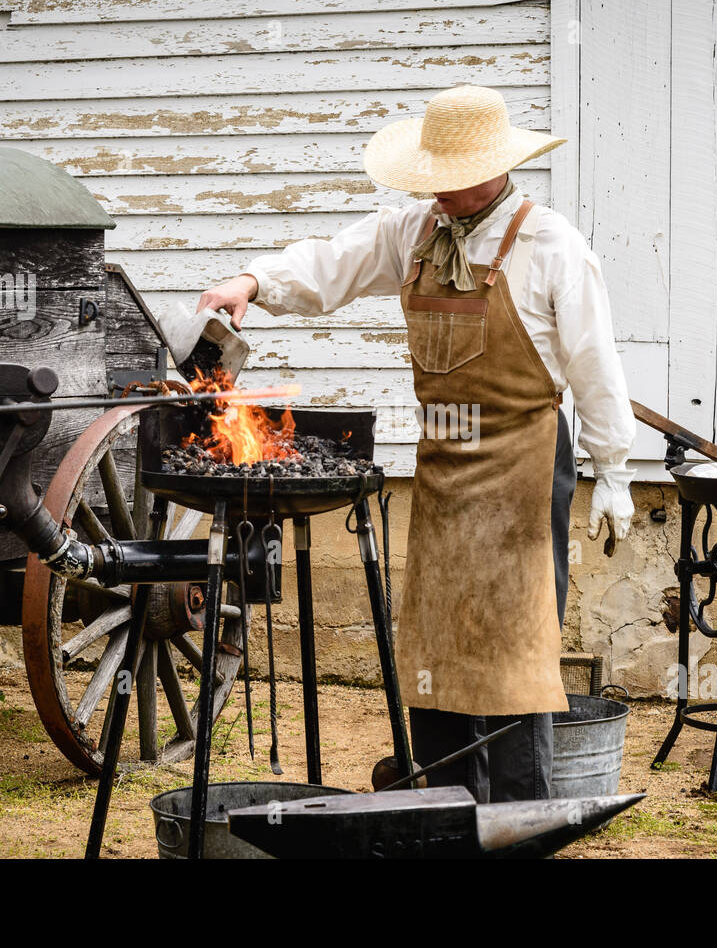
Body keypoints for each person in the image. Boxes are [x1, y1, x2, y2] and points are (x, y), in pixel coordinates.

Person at [196, 85, 636, 802]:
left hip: (525, 464)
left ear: (494, 167)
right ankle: (441, 801)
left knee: (515, 646)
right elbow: (331, 264)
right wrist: (252, 281)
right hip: (442, 470)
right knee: (434, 637)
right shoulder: (412, 234)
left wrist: (614, 469)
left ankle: (523, 811)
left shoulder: (551, 244)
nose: (436, 190)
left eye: (451, 174)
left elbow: (596, 364)